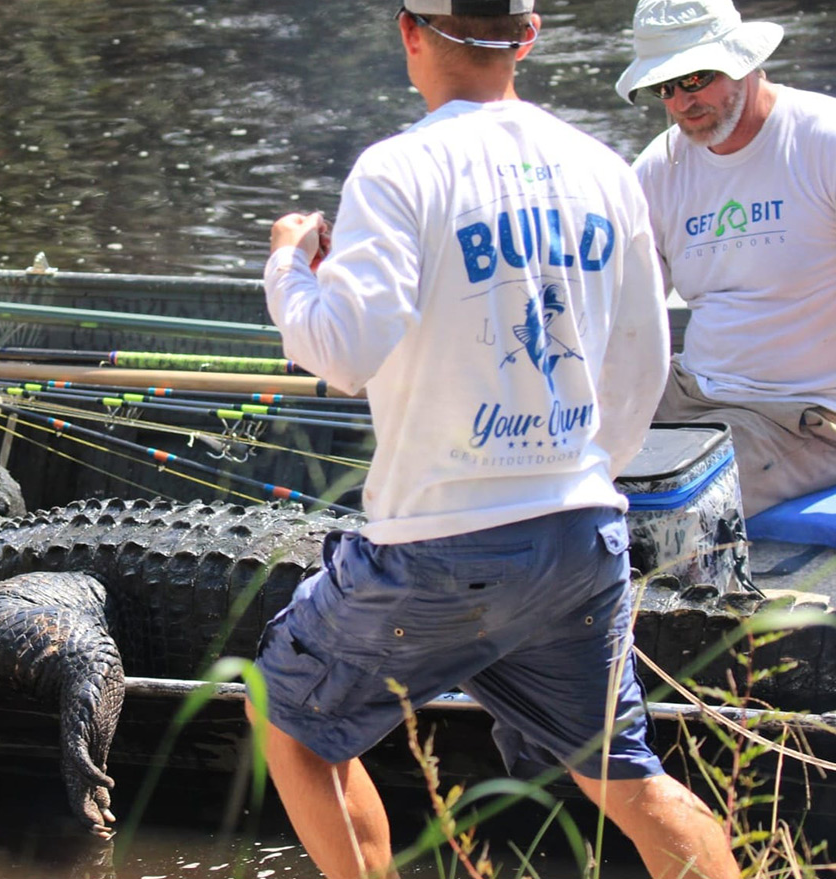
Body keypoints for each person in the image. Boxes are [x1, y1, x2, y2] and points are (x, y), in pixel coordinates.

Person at [245, 2, 741, 878]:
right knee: (629, 779)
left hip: (438, 544)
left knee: (290, 722)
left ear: (410, 32)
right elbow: (641, 363)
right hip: (581, 529)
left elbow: (341, 352)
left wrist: (288, 265)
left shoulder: (397, 169)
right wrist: (576, 471)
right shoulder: (604, 169)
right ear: (529, 34)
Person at [617, 0, 836, 517]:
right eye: (663, 87)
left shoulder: (821, 140)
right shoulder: (659, 167)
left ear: (743, 60)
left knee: (667, 505)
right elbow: (617, 313)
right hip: (691, 387)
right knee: (549, 456)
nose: (681, 102)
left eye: (695, 79)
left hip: (801, 412)